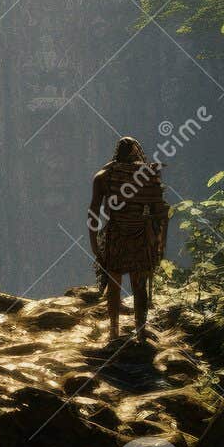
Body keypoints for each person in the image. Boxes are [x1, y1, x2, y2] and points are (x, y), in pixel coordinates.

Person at [87, 136, 169, 344]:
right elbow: (159, 211)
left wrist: (94, 243)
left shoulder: (103, 176)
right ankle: (140, 331)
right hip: (141, 235)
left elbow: (93, 213)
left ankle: (114, 331)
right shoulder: (148, 175)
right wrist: (159, 241)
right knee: (139, 285)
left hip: (117, 235)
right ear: (137, 153)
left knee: (114, 284)